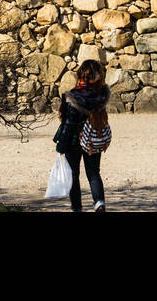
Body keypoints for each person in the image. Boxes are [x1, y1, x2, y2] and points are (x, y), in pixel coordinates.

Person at [52, 59, 111, 212]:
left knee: (73, 175)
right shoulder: (101, 97)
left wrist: (61, 145)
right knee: (93, 173)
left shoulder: (71, 97)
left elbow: (68, 124)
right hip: (93, 140)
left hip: (73, 142)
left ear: (81, 75)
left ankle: (77, 208)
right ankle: (99, 203)